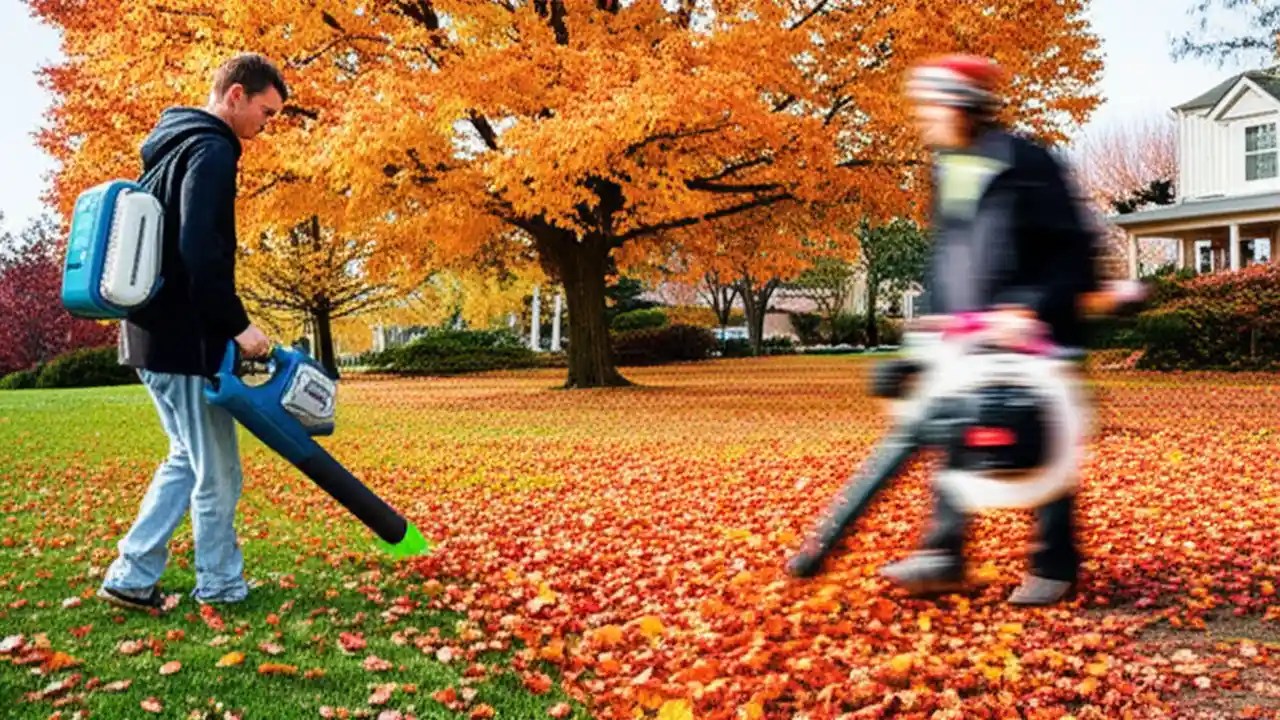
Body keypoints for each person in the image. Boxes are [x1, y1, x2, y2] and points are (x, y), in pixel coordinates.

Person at [877, 53, 1101, 606]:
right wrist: (929, 324)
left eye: (930, 107)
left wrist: (1029, 308)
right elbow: (949, 255)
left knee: (1038, 437)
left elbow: (1076, 253)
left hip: (1035, 337)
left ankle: (1055, 563)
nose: (923, 119)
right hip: (969, 340)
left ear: (963, 105)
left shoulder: (1027, 162)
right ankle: (945, 555)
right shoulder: (947, 169)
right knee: (953, 430)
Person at [98, 53, 288, 611]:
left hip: (148, 333)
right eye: (266, 112)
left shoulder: (170, 147)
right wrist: (239, 327)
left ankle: (131, 575)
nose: (265, 126)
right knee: (218, 472)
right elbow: (200, 251)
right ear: (235, 95)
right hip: (183, 339)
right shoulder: (211, 149)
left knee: (186, 458)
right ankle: (221, 584)